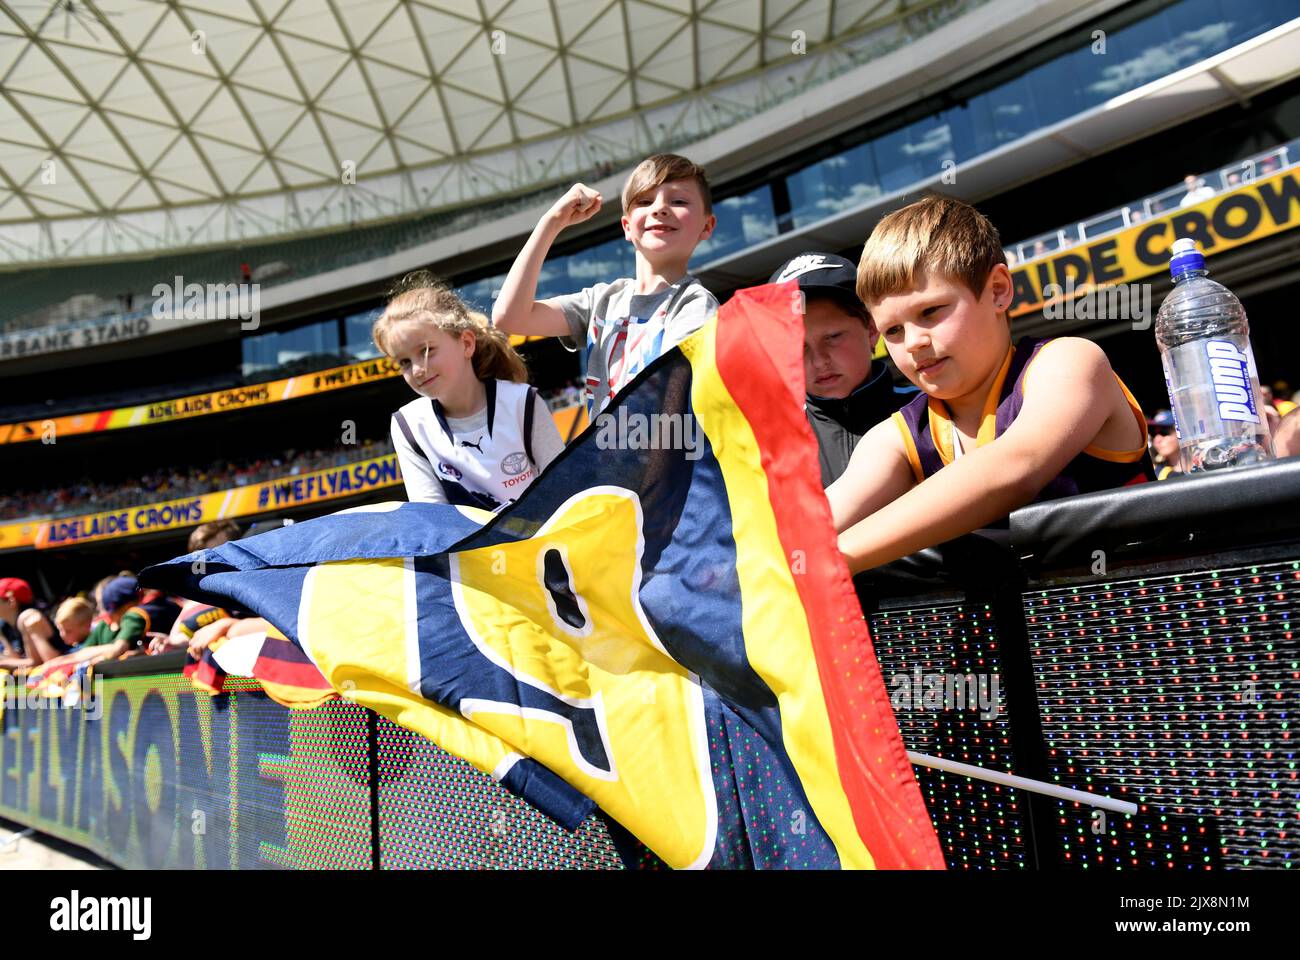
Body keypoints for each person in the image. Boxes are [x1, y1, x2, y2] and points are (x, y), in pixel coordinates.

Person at [828, 195, 1155, 574]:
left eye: (931, 311)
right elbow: (813, 525)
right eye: (894, 331)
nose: (914, 341)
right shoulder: (897, 437)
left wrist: (830, 559)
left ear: (998, 289)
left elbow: (1013, 468)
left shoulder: (1069, 361)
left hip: (1146, 621)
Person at [492, 153, 718, 417]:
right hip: (604, 456)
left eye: (678, 201)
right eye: (645, 201)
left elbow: (671, 399)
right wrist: (552, 222)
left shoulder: (695, 305)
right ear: (626, 226)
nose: (660, 208)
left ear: (707, 226)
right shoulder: (602, 301)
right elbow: (509, 317)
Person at [376, 279, 563, 512]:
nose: (417, 370)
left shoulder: (522, 402)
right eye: (404, 362)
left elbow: (564, 495)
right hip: (469, 549)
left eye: (426, 351)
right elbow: (433, 520)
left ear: (466, 343)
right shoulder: (409, 425)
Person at [769, 253, 917, 486]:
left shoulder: (931, 409)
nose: (818, 361)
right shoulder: (772, 449)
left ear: (871, 328)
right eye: (798, 346)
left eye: (832, 337)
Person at [0, 577, 67, 668]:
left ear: (11, 601)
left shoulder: (28, 617)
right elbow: (16, 660)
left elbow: (41, 662)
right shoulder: (5, 626)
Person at [1147, 409, 1182, 480]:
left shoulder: (1202, 464)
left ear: (1180, 431)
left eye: (1164, 432)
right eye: (1153, 434)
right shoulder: (1154, 475)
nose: (1157, 439)